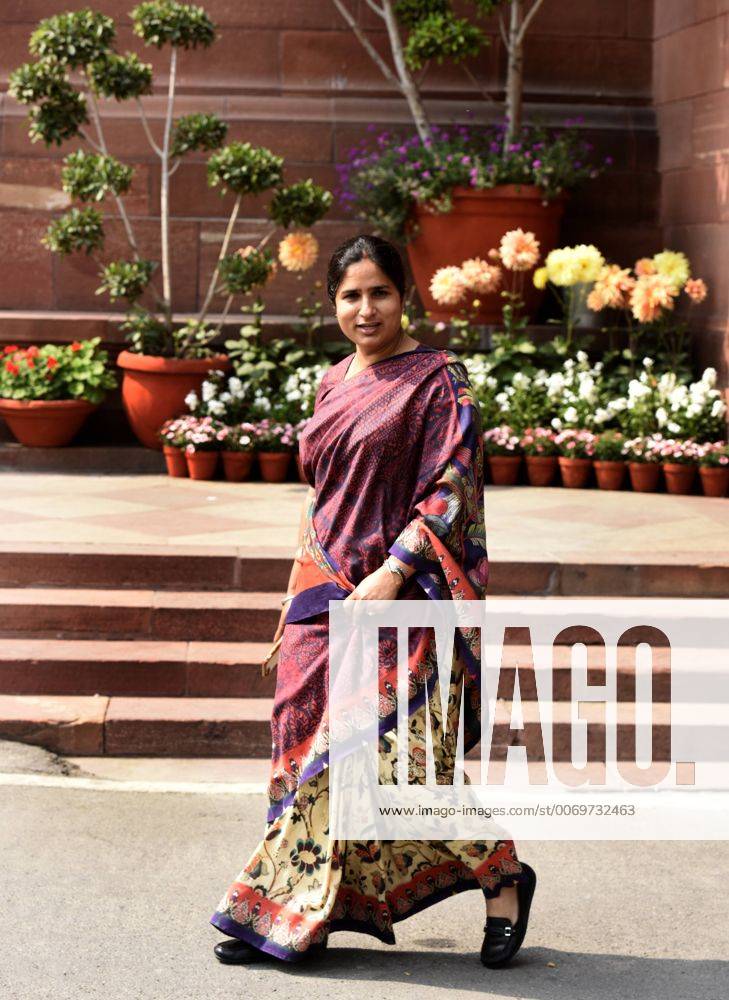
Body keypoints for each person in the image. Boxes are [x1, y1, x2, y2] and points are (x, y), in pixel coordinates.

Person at [210, 234, 536, 968]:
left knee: (398, 758)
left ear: (404, 295)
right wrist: (289, 594)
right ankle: (298, 908)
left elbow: (451, 492)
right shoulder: (331, 382)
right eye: (350, 295)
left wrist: (391, 573)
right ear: (332, 303)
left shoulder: (437, 382)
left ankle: (504, 880)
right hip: (320, 594)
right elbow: (318, 496)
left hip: (397, 593)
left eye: (379, 292)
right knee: (303, 754)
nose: (365, 309)